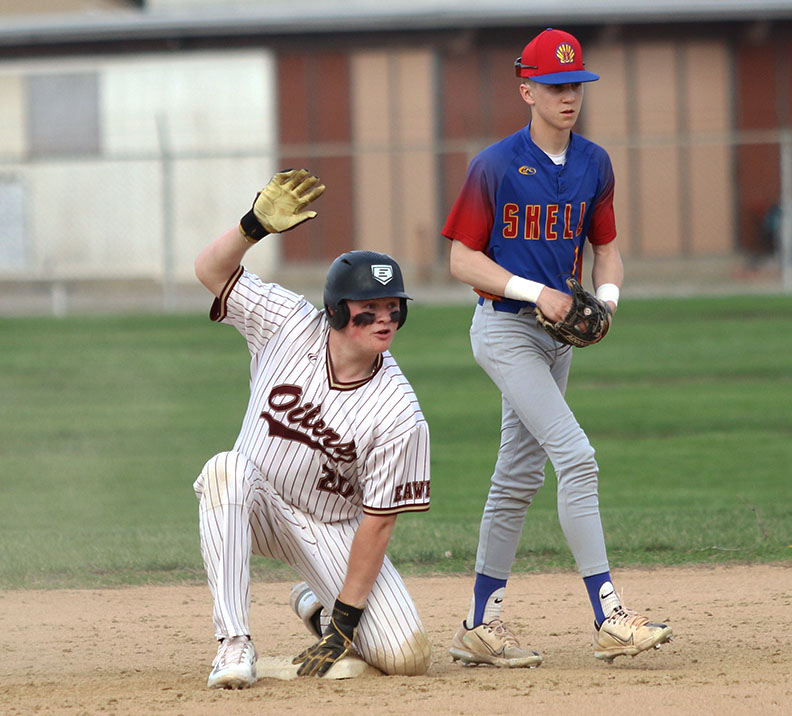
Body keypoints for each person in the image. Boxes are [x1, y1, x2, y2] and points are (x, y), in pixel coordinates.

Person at [441, 28, 673, 667]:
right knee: (577, 456)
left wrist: (610, 302)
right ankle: (609, 616)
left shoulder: (595, 162)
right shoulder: (493, 165)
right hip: (505, 329)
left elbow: (608, 247)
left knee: (517, 476)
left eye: (574, 84)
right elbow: (461, 258)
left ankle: (478, 626)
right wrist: (535, 291)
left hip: (556, 337)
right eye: (554, 85)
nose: (568, 95)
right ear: (527, 90)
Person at [193, 168, 432, 688]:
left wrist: (343, 622)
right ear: (335, 311)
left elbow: (378, 522)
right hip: (254, 503)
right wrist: (252, 227)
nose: (384, 319)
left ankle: (317, 601)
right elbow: (210, 271)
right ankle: (234, 644)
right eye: (369, 310)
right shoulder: (287, 322)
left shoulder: (398, 410)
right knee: (225, 471)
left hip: (332, 529)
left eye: (393, 309)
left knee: (406, 655)